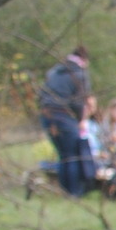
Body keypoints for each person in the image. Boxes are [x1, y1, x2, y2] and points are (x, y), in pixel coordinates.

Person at [37, 47, 94, 197]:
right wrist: (81, 118)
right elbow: (79, 101)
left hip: (47, 115)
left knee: (63, 154)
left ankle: (64, 189)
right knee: (72, 154)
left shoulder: (55, 72)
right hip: (63, 116)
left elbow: (42, 94)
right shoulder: (79, 74)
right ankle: (74, 191)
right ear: (85, 60)